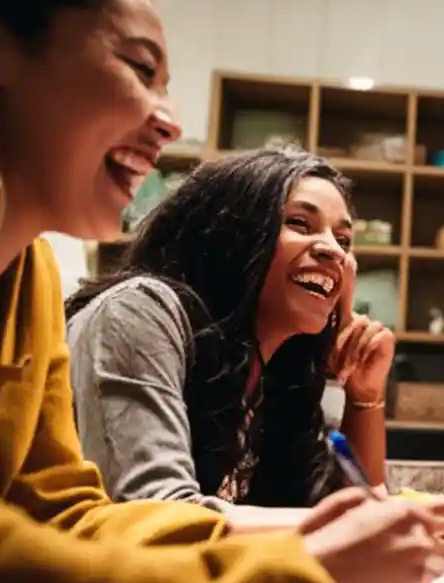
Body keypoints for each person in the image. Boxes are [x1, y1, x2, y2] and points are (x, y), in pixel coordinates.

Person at [0, 0, 444, 583]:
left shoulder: (33, 273)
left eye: (345, 237)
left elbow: (67, 515)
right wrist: (305, 566)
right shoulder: (145, 309)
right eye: (139, 69)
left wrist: (365, 404)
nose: (169, 119)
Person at [66, 149, 401, 523]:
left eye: (344, 240)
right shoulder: (137, 312)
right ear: (231, 232)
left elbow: (348, 512)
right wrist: (358, 525)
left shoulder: (273, 376)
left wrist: (365, 396)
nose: (334, 252)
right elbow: (157, 514)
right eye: (300, 224)